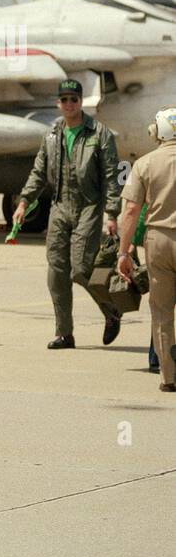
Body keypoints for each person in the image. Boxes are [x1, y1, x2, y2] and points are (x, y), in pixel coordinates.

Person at [13, 79, 122, 349]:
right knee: (56, 271)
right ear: (58, 103)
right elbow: (39, 172)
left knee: (81, 268)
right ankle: (64, 333)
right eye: (65, 100)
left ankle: (111, 310)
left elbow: (110, 177)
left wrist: (111, 214)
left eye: (74, 99)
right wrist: (24, 201)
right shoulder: (52, 135)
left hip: (89, 205)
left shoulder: (99, 133)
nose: (69, 104)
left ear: (81, 102)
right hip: (60, 206)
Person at [117, 108, 176, 390]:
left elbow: (130, 210)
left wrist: (123, 252)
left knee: (162, 311)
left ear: (157, 132)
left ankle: (168, 377)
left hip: (159, 242)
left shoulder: (144, 163)